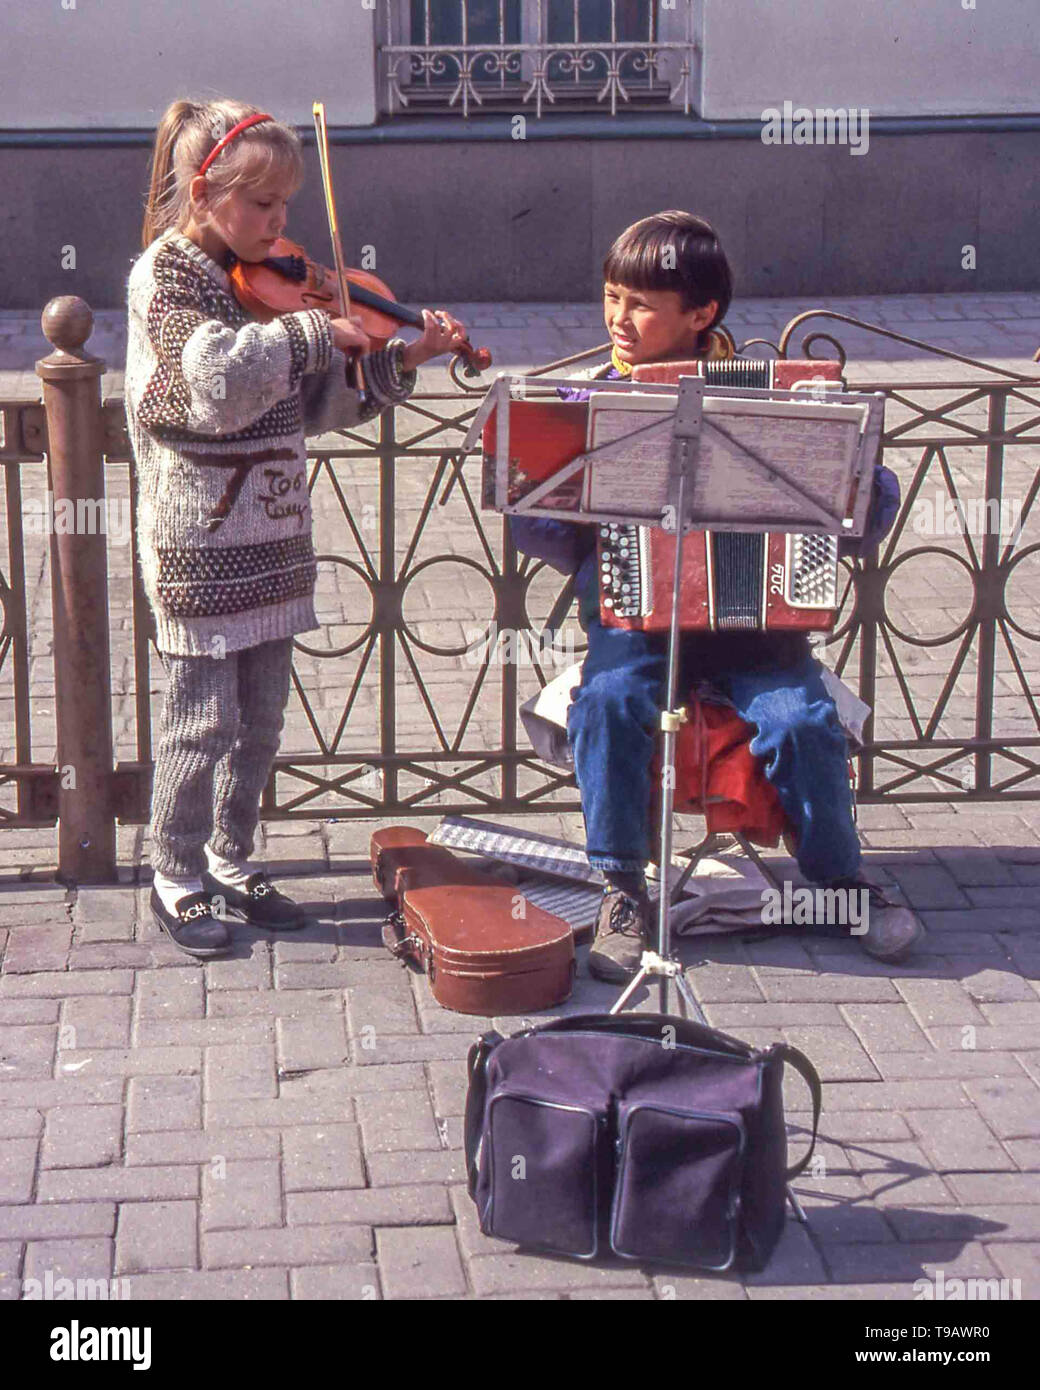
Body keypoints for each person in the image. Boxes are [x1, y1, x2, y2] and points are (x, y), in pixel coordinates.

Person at [511, 210, 923, 982]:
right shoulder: (592, 397)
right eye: (610, 298)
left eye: (639, 305)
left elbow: (871, 509)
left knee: (799, 720)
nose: (617, 320)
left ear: (702, 315)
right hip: (634, 622)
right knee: (604, 704)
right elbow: (542, 536)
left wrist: (850, 478)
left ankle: (841, 883)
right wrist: (540, 481)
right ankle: (621, 885)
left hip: (756, 627)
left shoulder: (780, 395)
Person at [125, 98, 468, 957]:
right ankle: (175, 872)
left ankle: (232, 857)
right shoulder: (166, 278)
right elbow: (213, 385)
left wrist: (399, 356)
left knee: (264, 718)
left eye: (285, 207)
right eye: (260, 206)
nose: (280, 228)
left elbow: (320, 403)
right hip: (198, 544)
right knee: (198, 720)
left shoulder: (272, 281)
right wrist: (318, 329)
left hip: (273, 538)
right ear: (205, 194)